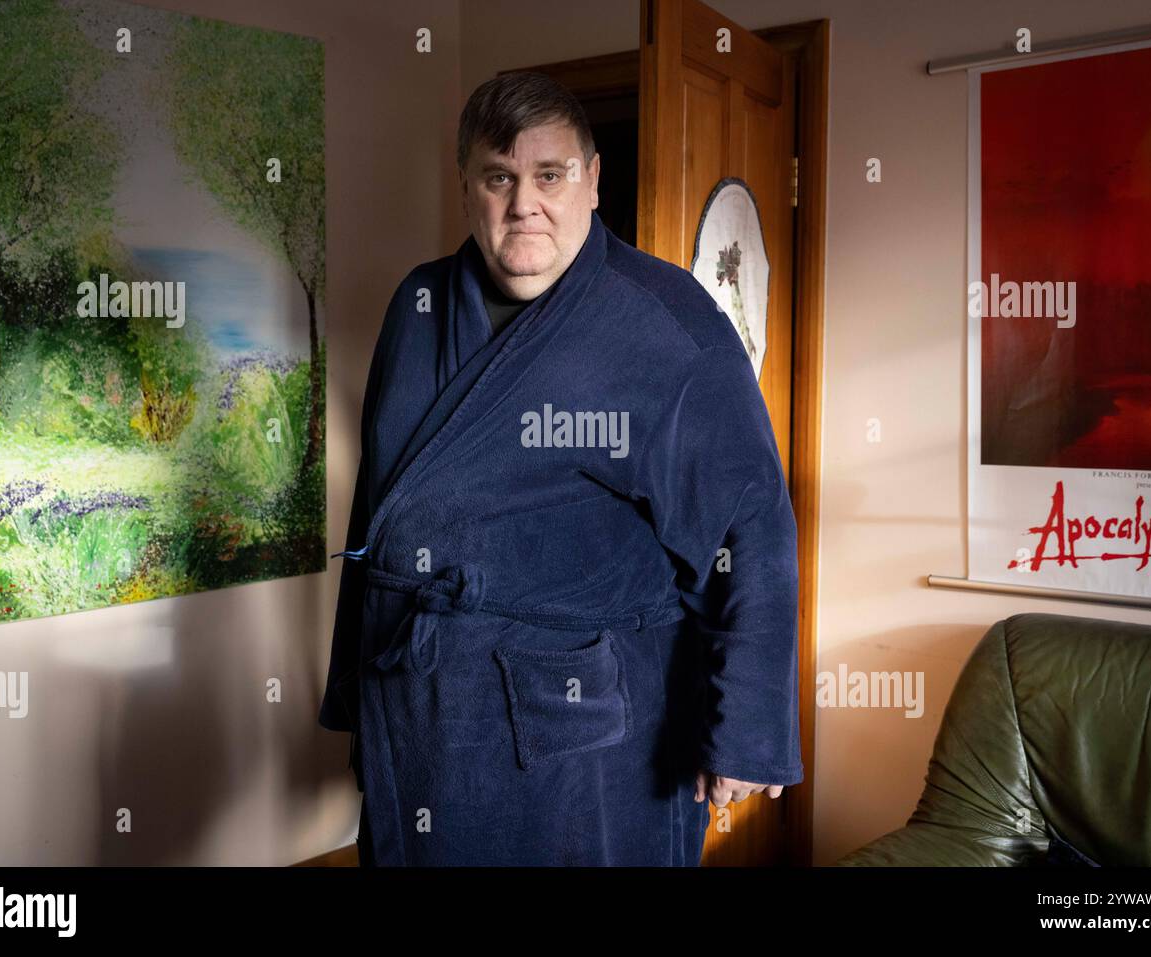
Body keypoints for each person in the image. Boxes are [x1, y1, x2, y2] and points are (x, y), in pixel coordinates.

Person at [319, 71, 802, 866]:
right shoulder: (421, 305)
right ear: (467, 184)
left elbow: (753, 525)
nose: (524, 203)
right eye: (498, 177)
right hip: (422, 708)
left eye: (551, 175)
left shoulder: (665, 319)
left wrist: (746, 729)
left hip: (579, 730)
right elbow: (380, 512)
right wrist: (357, 695)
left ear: (593, 180)